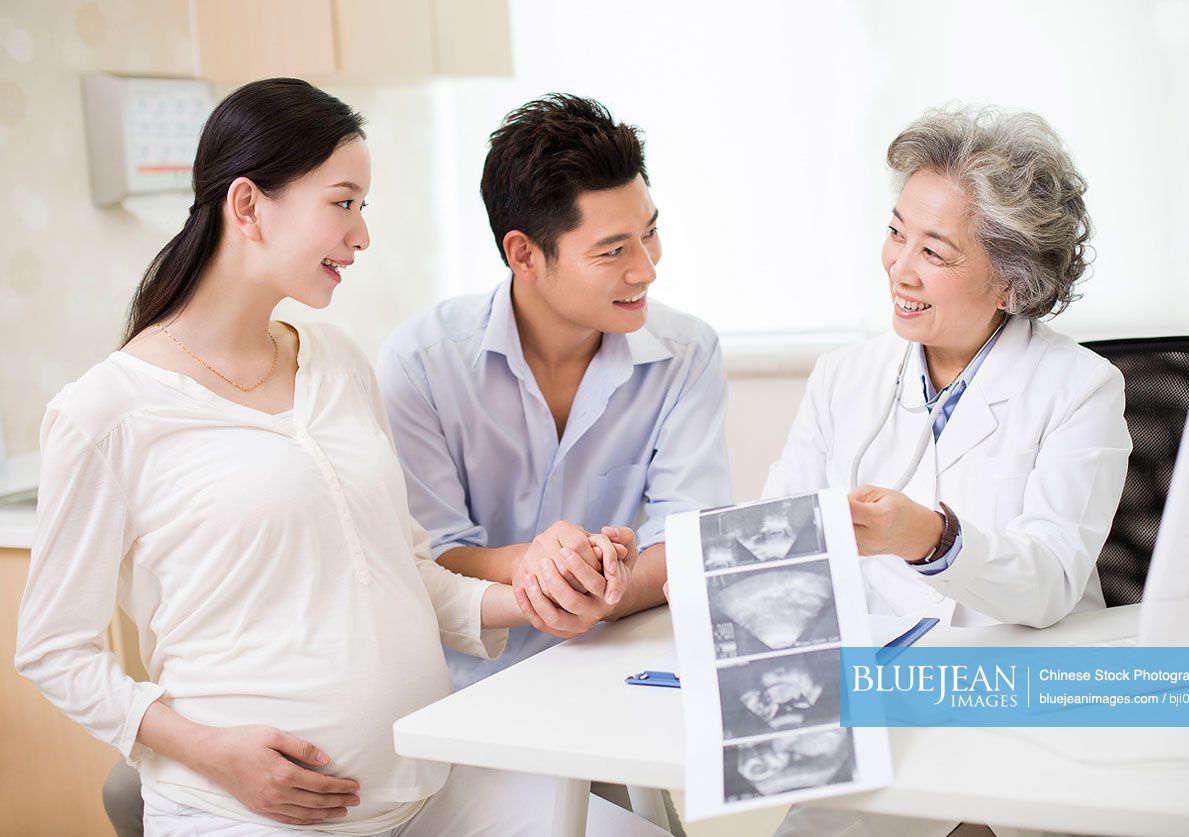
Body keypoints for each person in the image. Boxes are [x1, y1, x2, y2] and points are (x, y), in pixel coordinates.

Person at [15, 78, 616, 837]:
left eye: (363, 207)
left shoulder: (334, 363)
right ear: (247, 206)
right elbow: (52, 650)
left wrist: (539, 595)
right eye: (343, 202)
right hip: (248, 813)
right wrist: (211, 751)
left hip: (428, 788)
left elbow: (406, 574)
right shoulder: (107, 411)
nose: (362, 235)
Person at [767, 105, 1132, 837]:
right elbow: (780, 539)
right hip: (884, 712)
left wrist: (932, 538)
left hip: (1024, 707)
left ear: (1011, 281)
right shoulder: (844, 379)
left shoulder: (1080, 389)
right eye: (895, 232)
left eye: (934, 251)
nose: (899, 267)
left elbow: (1052, 577)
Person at [377, 94, 733, 692]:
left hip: (618, 666)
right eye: (613, 250)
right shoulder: (421, 364)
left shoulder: (687, 352)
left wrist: (604, 591)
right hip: (464, 684)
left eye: (650, 234)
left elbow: (691, 537)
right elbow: (432, 553)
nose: (646, 268)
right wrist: (543, 566)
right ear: (524, 254)